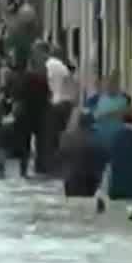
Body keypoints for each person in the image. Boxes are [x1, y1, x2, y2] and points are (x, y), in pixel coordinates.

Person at [44, 45, 78, 173]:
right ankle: (61, 164)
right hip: (66, 104)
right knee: (62, 135)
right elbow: (73, 91)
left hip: (56, 104)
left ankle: (54, 165)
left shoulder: (50, 65)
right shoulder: (65, 70)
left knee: (53, 136)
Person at [58, 112, 108, 197]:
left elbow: (61, 154)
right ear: (92, 124)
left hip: (71, 177)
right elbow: (104, 156)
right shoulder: (97, 137)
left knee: (72, 200)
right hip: (90, 178)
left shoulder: (66, 136)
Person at [90, 73, 131, 150]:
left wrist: (109, 115)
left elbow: (128, 115)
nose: (110, 87)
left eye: (112, 85)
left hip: (117, 137)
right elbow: (96, 116)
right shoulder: (101, 100)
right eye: (108, 85)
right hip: (103, 137)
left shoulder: (123, 100)